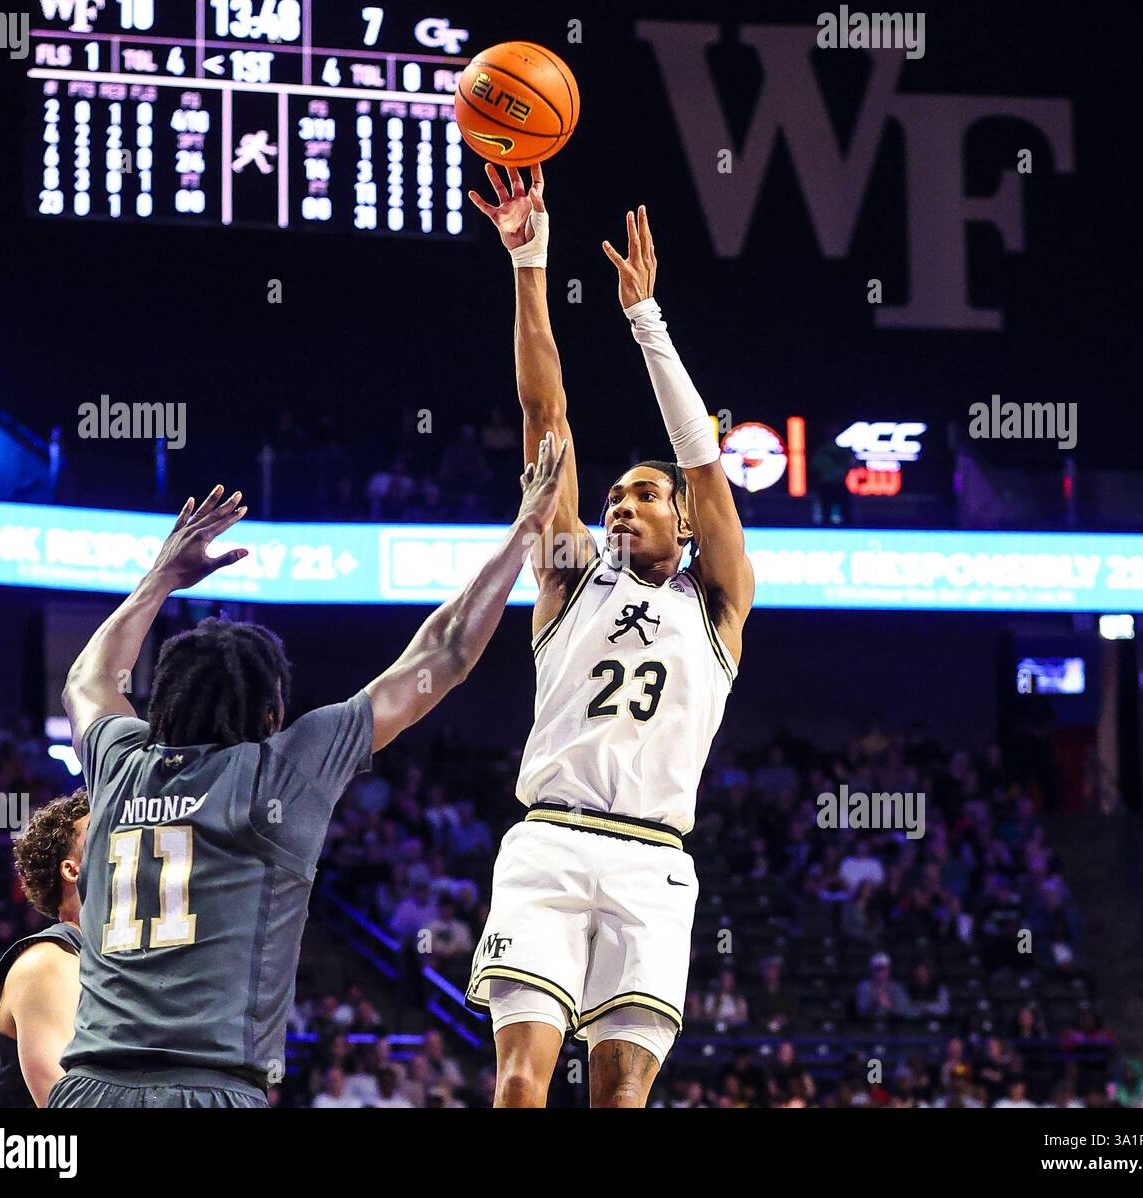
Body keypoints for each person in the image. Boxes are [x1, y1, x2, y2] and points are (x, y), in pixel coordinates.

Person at [49, 444, 569, 1109]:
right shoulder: (282, 771)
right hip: (210, 1090)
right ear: (271, 712)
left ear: (163, 702)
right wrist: (526, 529)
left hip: (86, 1091)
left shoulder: (118, 765)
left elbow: (86, 680)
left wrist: (159, 579)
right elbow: (445, 652)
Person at [465, 164, 755, 1107]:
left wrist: (647, 322)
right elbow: (543, 413)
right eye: (616, 494)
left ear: (683, 521)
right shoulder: (566, 572)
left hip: (655, 860)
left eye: (645, 493)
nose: (623, 504)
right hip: (548, 843)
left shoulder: (719, 606)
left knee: (620, 1098)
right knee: (518, 1084)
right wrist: (529, 262)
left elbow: (706, 466)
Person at [0, 791, 88, 1108]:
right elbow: (68, 1102)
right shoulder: (49, 962)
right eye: (103, 835)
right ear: (71, 869)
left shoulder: (106, 962)